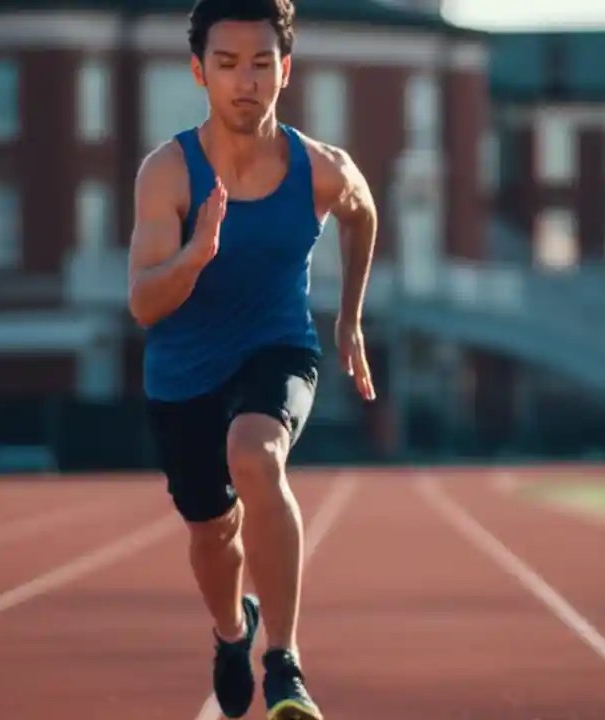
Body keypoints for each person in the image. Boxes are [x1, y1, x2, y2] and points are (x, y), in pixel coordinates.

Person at [126, 0, 377, 717]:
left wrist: (350, 317)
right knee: (212, 536)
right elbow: (143, 303)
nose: (247, 81)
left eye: (262, 64)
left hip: (279, 349)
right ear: (199, 71)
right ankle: (235, 631)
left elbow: (363, 212)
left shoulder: (321, 168)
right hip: (183, 375)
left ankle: (286, 665)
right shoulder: (168, 173)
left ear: (285, 71)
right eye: (229, 64)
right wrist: (196, 257)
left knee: (256, 454)